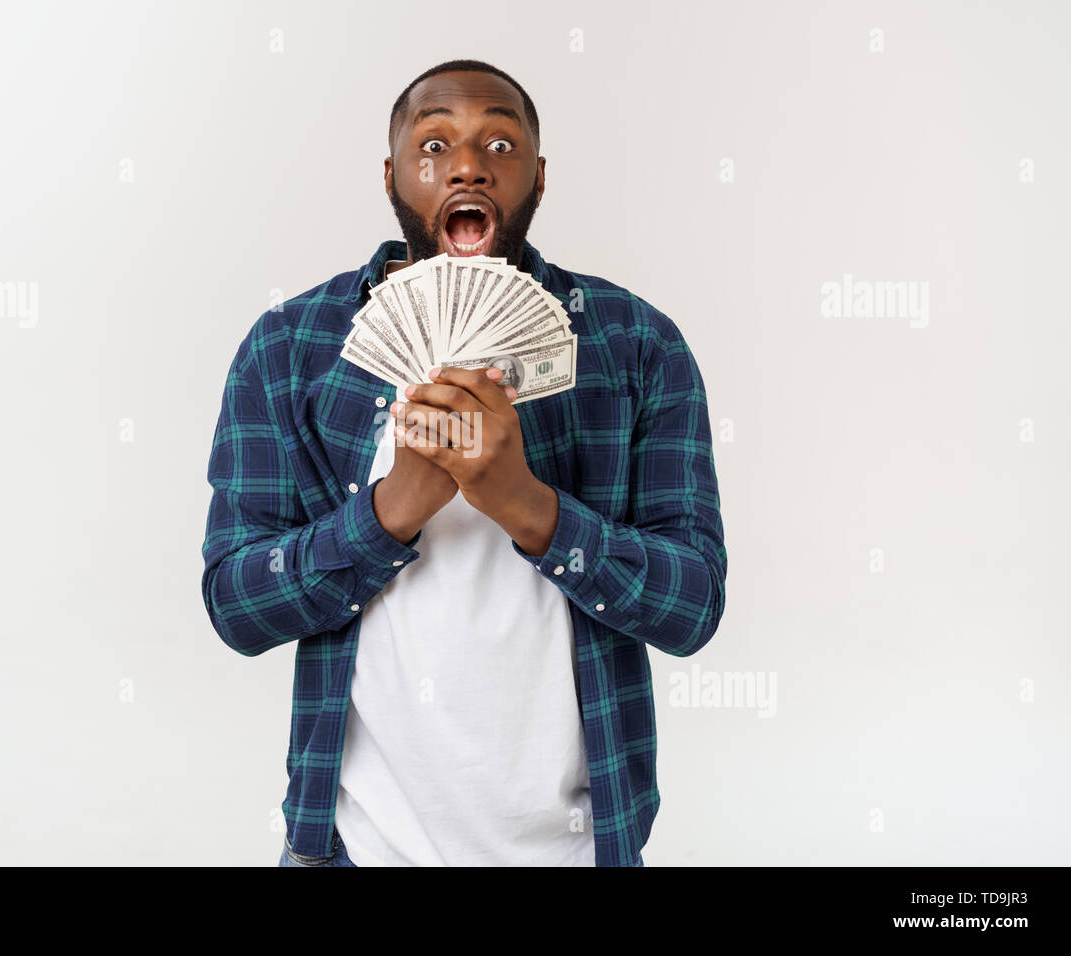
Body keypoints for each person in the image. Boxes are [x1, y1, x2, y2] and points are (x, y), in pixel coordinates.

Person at [202, 59, 728, 867]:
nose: (468, 163)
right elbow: (238, 606)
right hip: (354, 852)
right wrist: (389, 513)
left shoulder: (636, 345)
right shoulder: (289, 349)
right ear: (392, 178)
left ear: (538, 180)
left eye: (500, 143)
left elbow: (691, 607)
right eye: (435, 142)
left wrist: (526, 506)